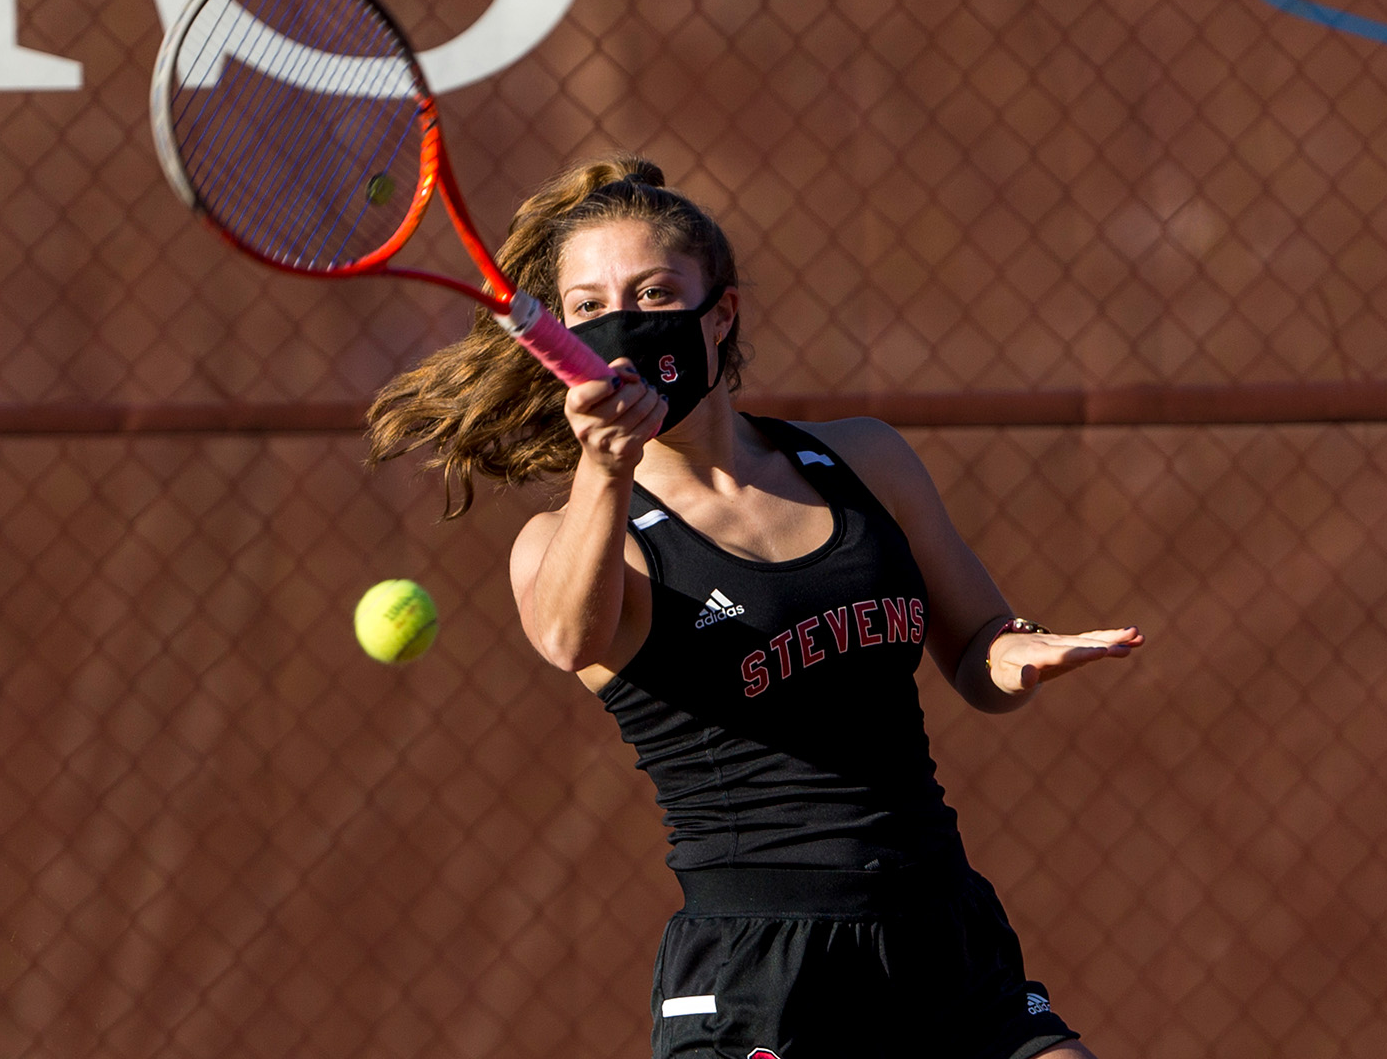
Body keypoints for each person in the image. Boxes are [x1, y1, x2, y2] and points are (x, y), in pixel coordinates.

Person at [367, 154, 1143, 1059]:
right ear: (558, 341)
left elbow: (980, 651)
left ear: (721, 311)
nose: (621, 323)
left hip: (945, 935)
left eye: (654, 293)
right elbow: (568, 637)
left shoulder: (865, 461)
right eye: (587, 306)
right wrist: (608, 468)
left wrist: (1018, 654)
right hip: (763, 975)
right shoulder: (571, 538)